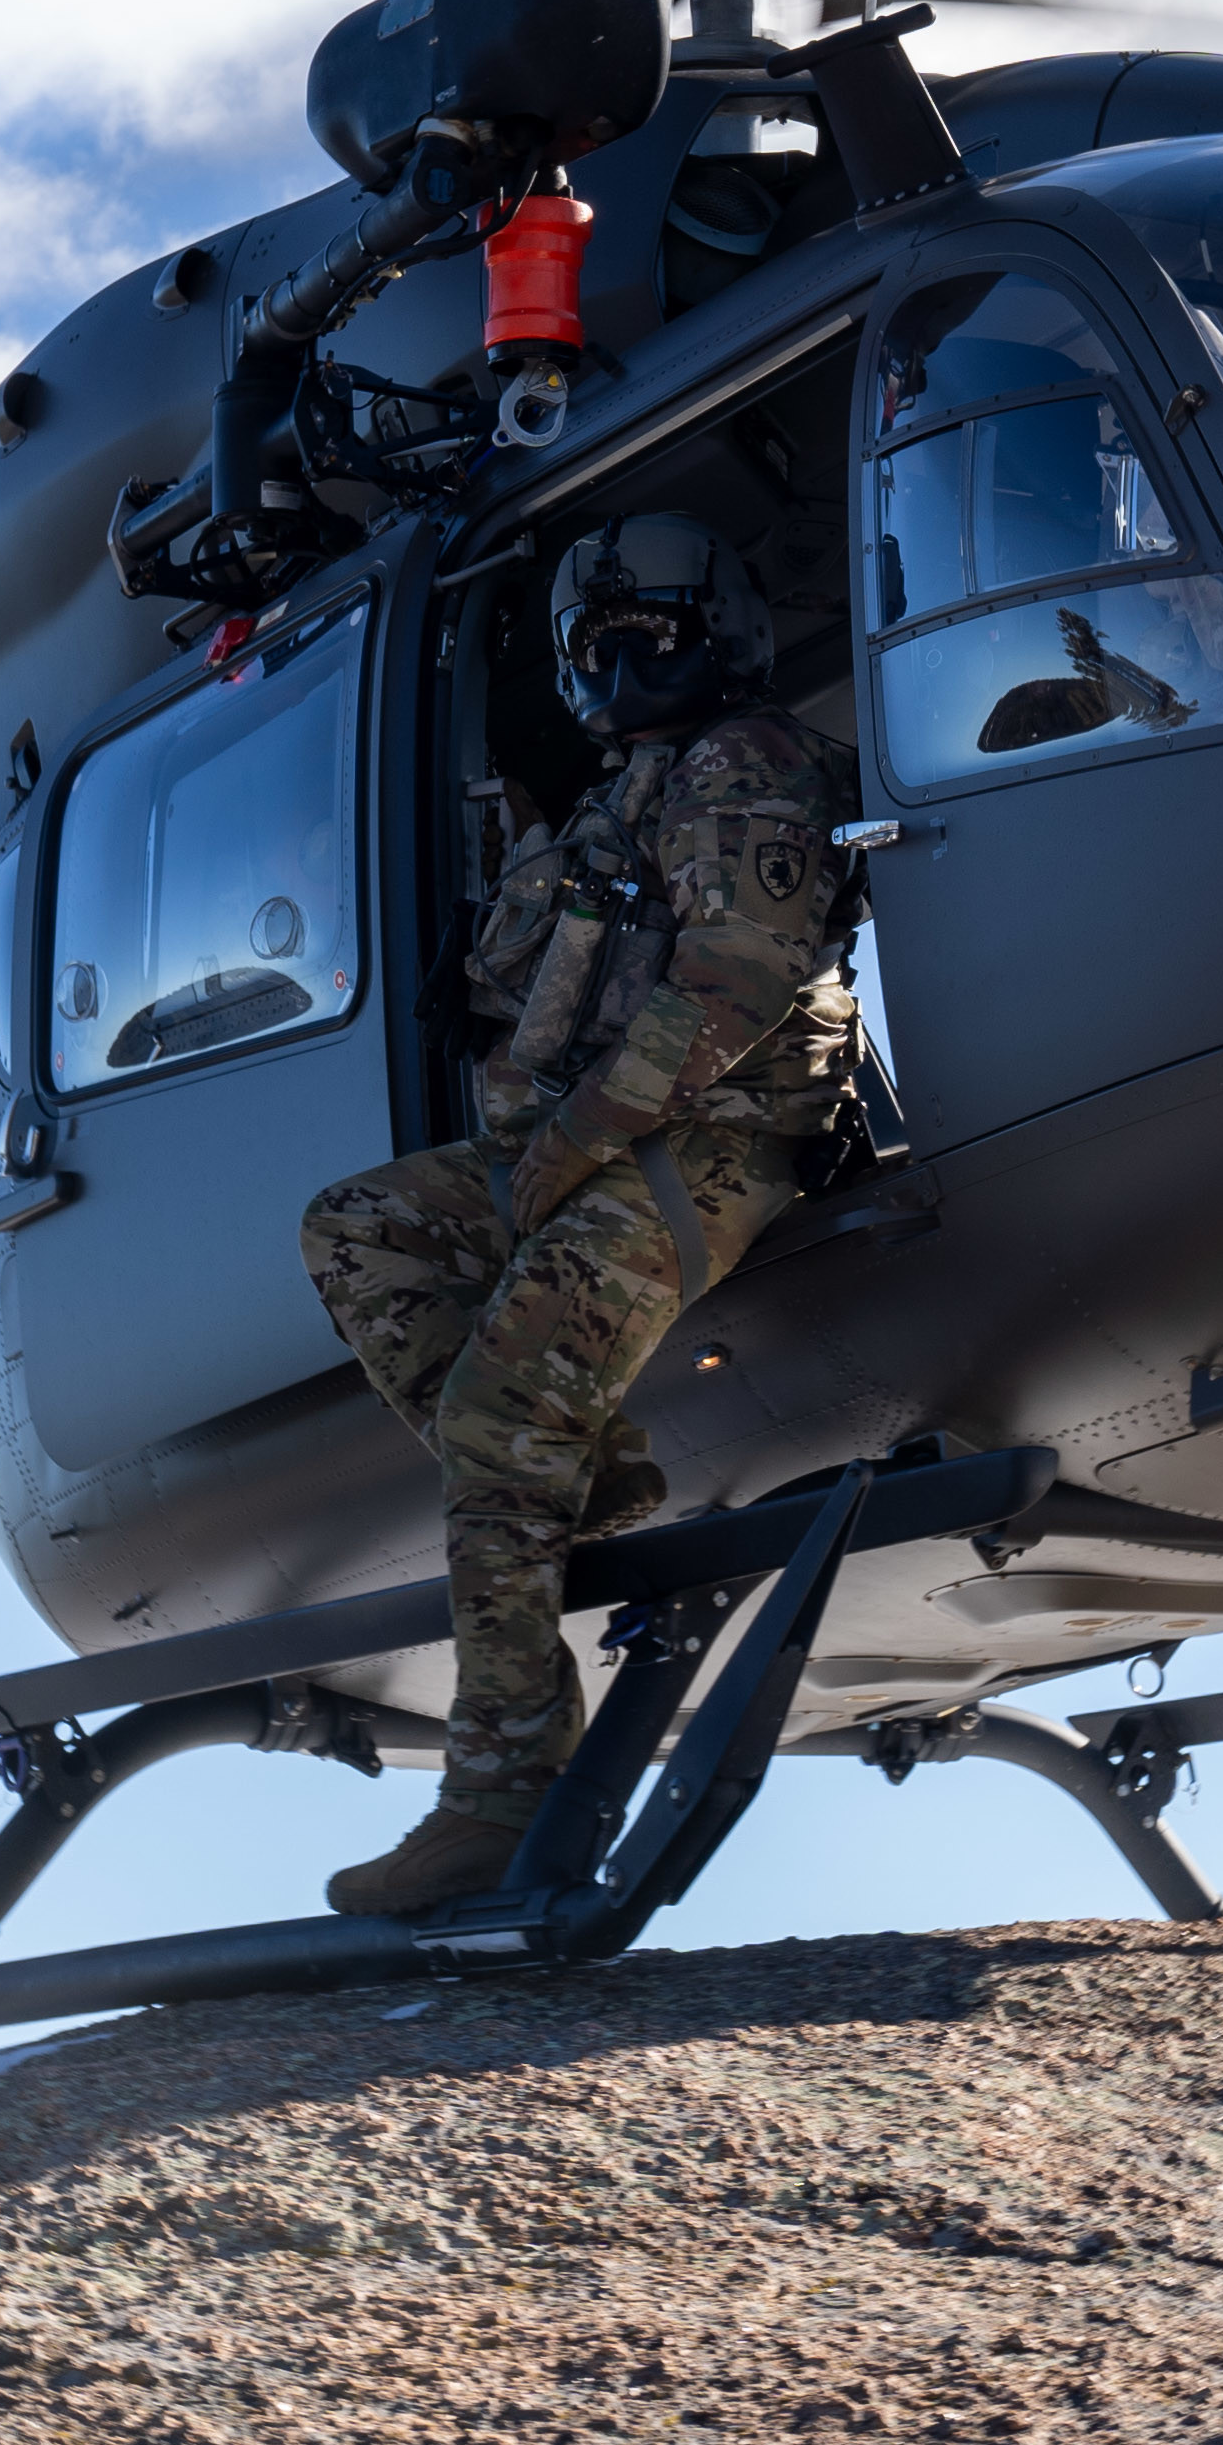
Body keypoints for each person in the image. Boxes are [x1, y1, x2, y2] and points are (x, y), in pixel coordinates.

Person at [292, 512, 862, 1920]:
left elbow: (737, 985)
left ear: (711, 631)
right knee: (360, 1228)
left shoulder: (751, 766)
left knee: (496, 1419)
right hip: (579, 1143)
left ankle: (498, 1791)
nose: (611, 665)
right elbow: (512, 984)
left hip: (716, 1141)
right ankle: (572, 1481)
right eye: (590, 645)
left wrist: (572, 1144)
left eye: (640, 635)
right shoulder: (618, 799)